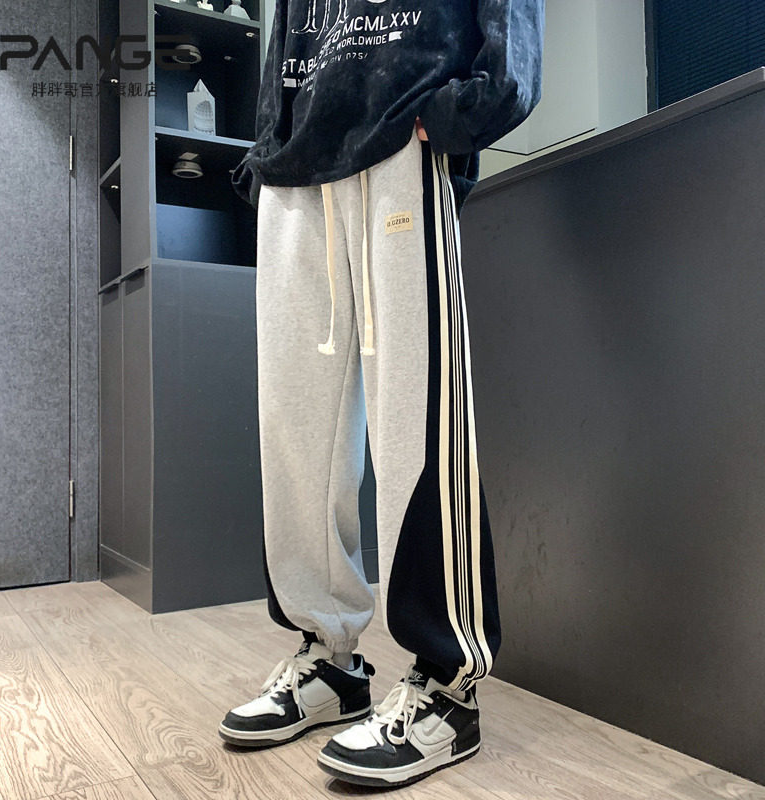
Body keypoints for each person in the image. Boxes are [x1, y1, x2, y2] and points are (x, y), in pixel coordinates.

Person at [220, 0, 545, 787]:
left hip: (404, 130)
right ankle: (329, 658)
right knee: (293, 428)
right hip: (298, 160)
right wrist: (269, 143)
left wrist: (473, 103)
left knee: (415, 419)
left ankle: (447, 683)